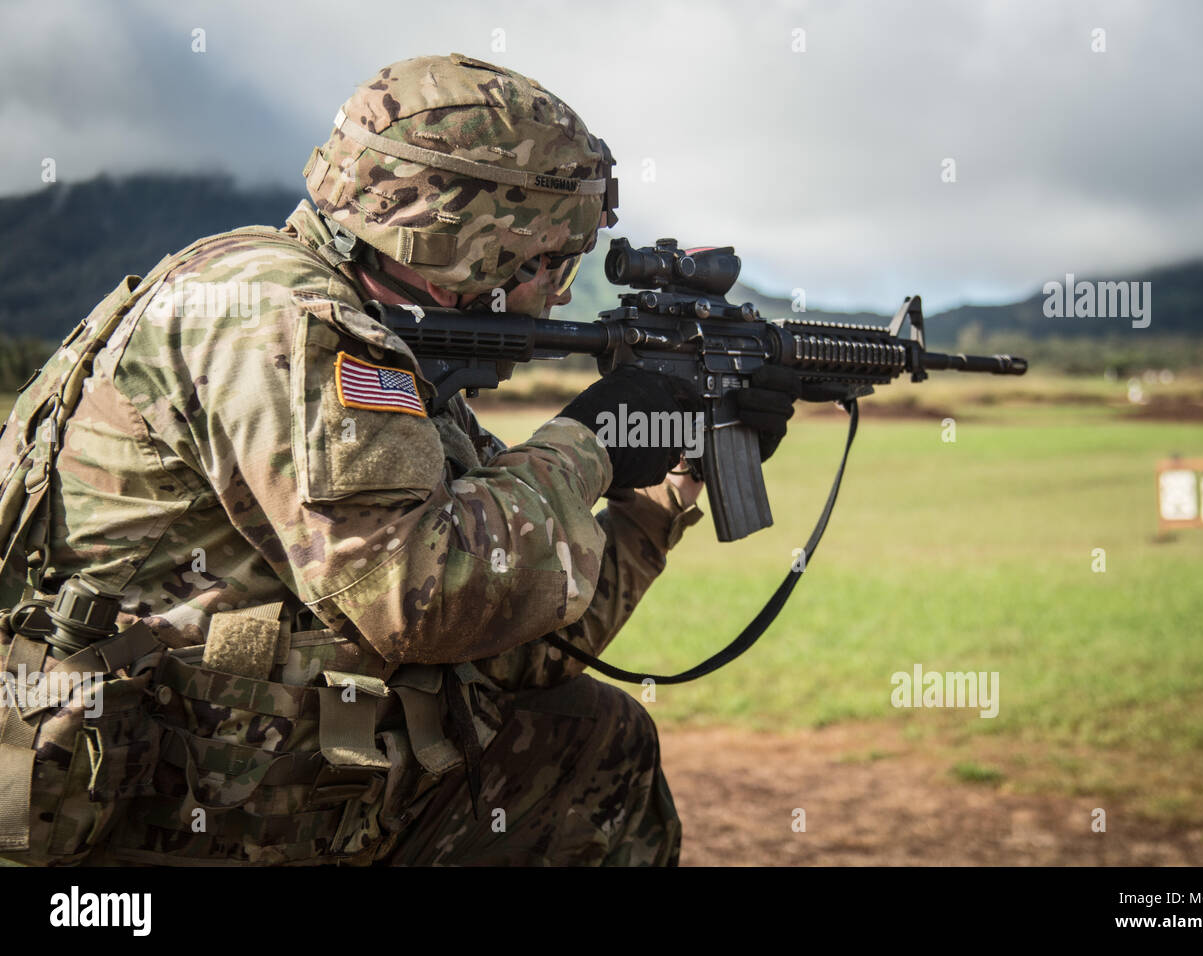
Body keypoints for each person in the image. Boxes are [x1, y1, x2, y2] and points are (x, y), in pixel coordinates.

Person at [0, 53, 795, 866]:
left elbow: (522, 640)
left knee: (595, 737)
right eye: (553, 260)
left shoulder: (370, 339)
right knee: (590, 748)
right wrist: (590, 442)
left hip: (240, 772)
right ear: (475, 244)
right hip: (143, 813)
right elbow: (420, 600)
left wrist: (673, 478)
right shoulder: (277, 316)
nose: (557, 294)